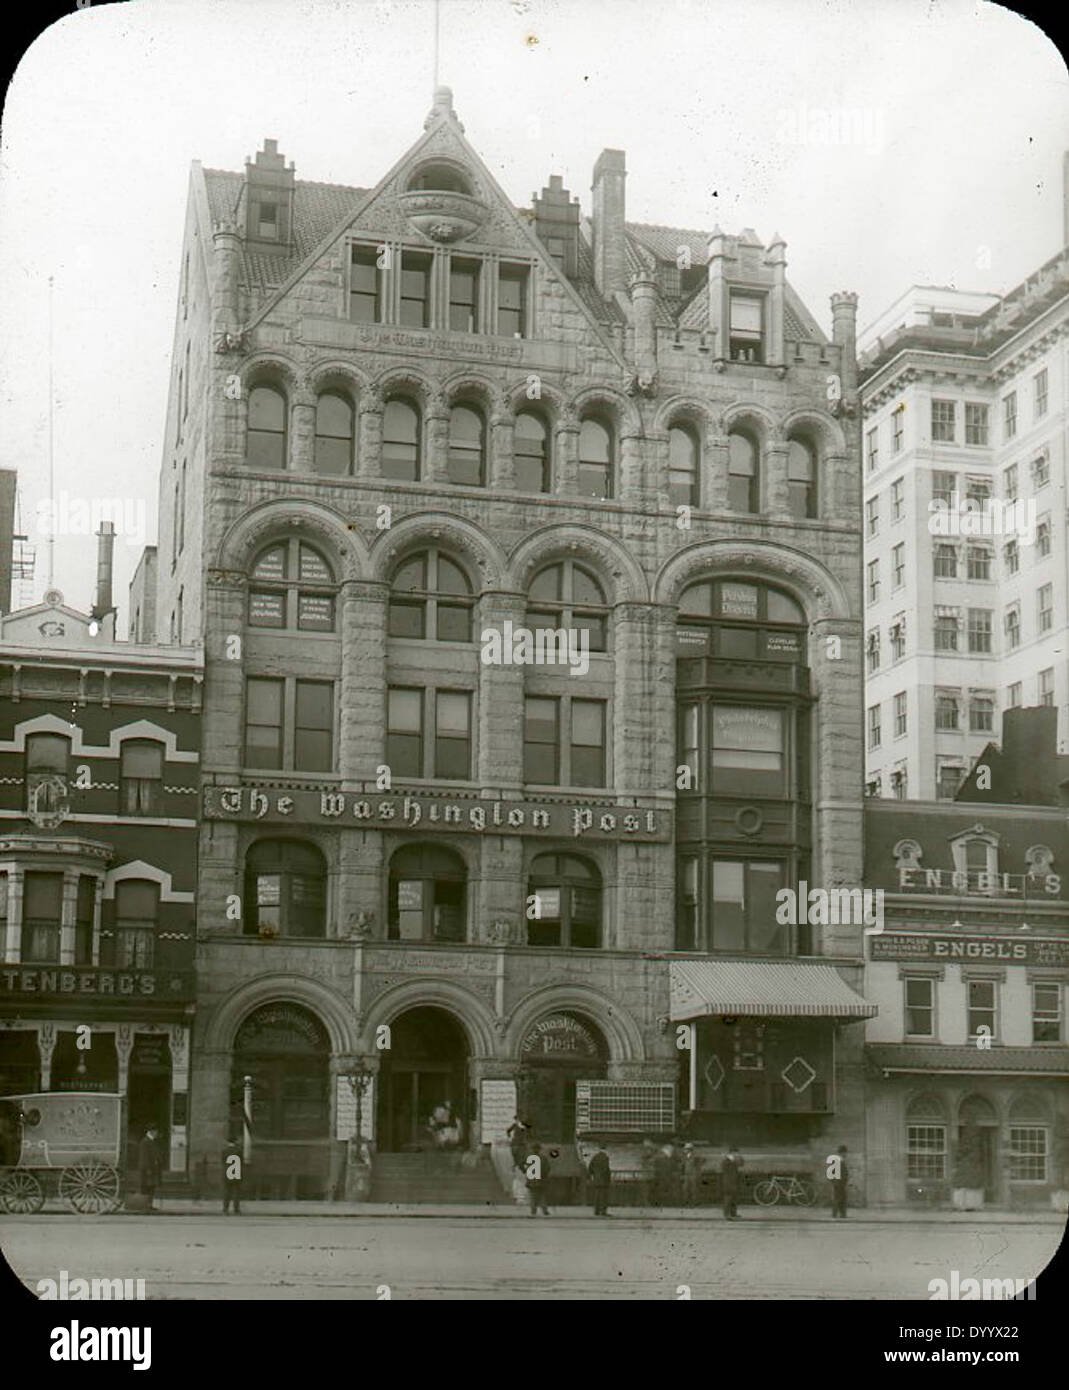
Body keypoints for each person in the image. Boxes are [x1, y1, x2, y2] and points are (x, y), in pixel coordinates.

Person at [138, 1126, 162, 1211]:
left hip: (153, 1168)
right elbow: (144, 1157)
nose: (157, 1134)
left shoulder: (152, 1141)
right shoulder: (145, 1142)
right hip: (147, 1169)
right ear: (151, 1131)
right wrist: (148, 1169)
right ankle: (144, 1205)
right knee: (146, 1187)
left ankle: (149, 1205)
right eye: (156, 1132)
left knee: (152, 1187)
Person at [525, 1142, 551, 1216]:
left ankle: (533, 1210)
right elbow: (547, 1168)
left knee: (533, 1196)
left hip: (532, 1180)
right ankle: (544, 1210)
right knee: (541, 1196)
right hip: (541, 1179)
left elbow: (527, 1170)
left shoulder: (529, 1158)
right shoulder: (543, 1158)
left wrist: (528, 1180)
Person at [720, 1145, 744, 1220]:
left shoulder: (733, 1160)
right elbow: (725, 1168)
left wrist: (739, 1157)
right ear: (732, 1153)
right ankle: (727, 1214)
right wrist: (734, 1161)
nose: (737, 1155)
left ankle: (733, 1213)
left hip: (733, 1182)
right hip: (728, 1182)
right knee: (728, 1199)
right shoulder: (726, 1160)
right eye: (736, 1153)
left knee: (734, 1198)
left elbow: (742, 1164)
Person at [588, 1142, 611, 1217]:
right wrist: (608, 1178)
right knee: (604, 1196)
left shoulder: (595, 1157)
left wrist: (593, 1175)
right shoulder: (605, 1157)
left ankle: (596, 1211)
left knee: (597, 1196)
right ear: (605, 1149)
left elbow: (590, 1167)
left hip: (596, 1179)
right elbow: (606, 1170)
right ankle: (603, 1211)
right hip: (603, 1180)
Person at [222, 1136, 243, 1215]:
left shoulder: (225, 1151)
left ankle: (225, 1209)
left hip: (228, 1173)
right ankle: (236, 1209)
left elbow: (223, 1161)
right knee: (236, 1192)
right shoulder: (238, 1151)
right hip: (236, 1173)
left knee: (227, 1192)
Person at [830, 1144, 849, 1219]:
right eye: (845, 1153)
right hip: (839, 1184)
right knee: (838, 1199)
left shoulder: (841, 1160)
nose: (846, 1154)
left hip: (841, 1183)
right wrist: (835, 1183)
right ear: (842, 1153)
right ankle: (835, 1214)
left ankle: (842, 1214)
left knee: (842, 1198)